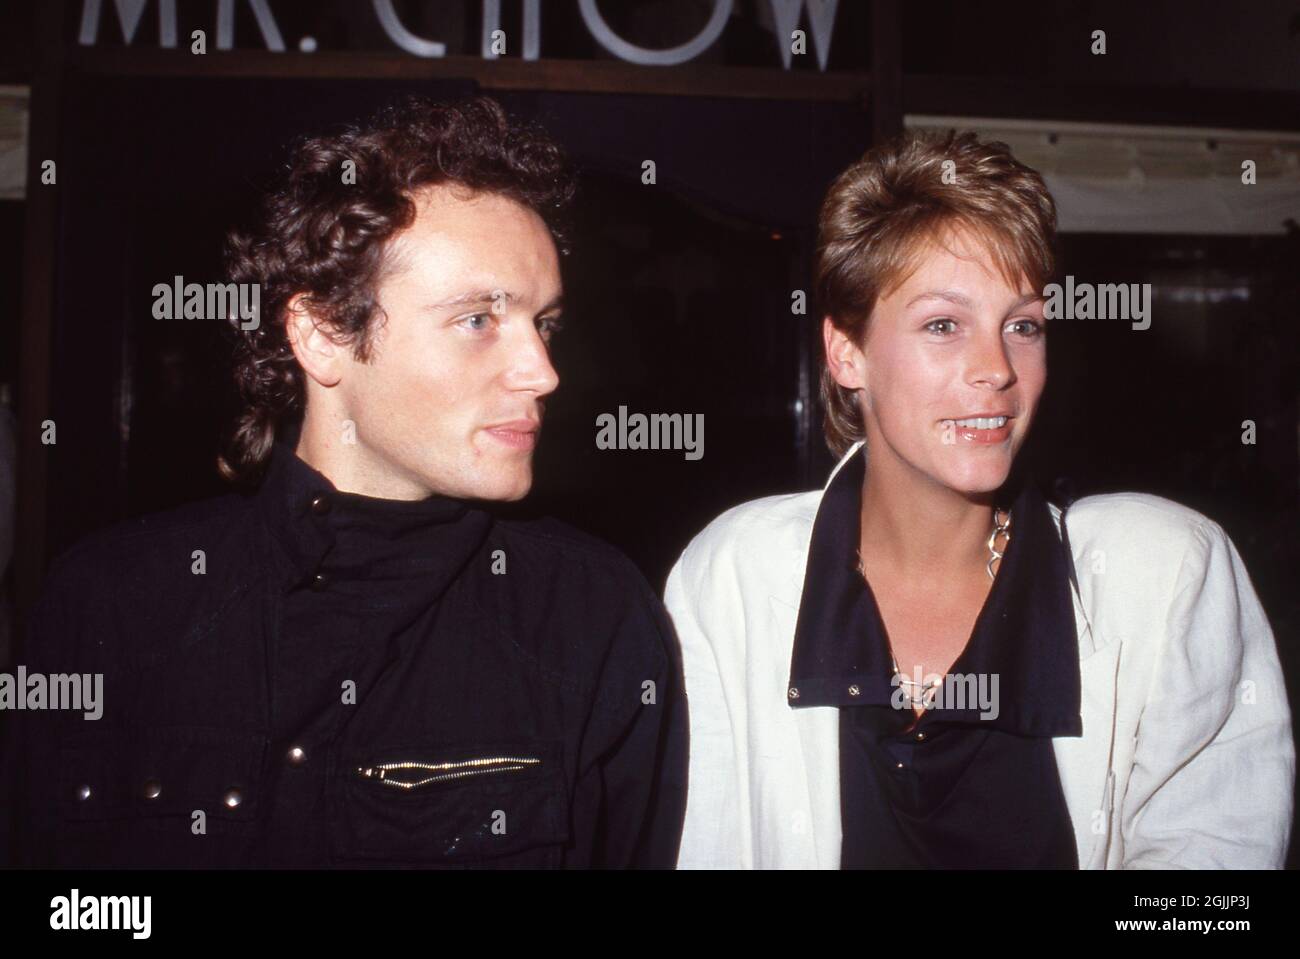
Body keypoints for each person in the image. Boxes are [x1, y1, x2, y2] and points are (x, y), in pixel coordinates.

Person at [2, 96, 686, 868]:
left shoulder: (594, 617)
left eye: (545, 322)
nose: (543, 371)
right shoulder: (112, 603)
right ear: (323, 335)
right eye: (478, 320)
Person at [666, 130, 1294, 869]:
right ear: (847, 353)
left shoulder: (1161, 574)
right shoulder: (737, 576)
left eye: (1022, 325)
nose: (997, 367)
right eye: (943, 324)